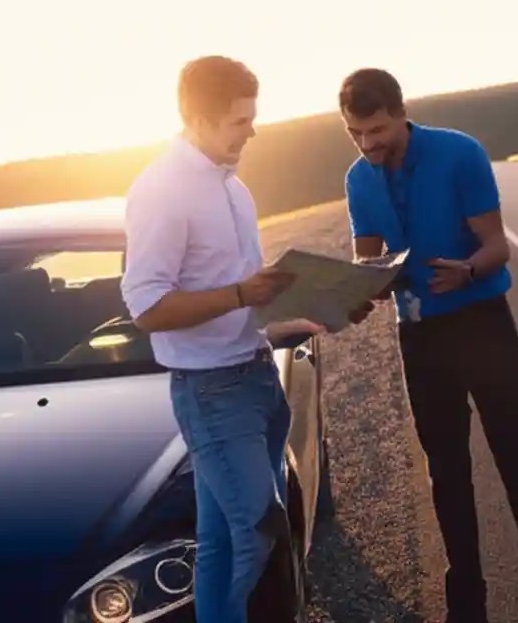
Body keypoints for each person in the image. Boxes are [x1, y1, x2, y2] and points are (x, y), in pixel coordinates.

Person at [338, 68, 518, 623]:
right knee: (446, 475)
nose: (368, 144)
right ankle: (467, 608)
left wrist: (468, 270)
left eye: (376, 130)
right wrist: (357, 292)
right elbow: (368, 261)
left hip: (482, 323)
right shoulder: (358, 179)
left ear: (401, 112)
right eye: (355, 133)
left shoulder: (459, 153)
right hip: (420, 336)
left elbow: (498, 246)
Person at [120, 55, 326, 623]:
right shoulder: (162, 189)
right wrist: (241, 294)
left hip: (257, 377)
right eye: (240, 121)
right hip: (211, 394)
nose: (253, 131)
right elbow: (146, 307)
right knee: (259, 535)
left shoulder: (234, 190)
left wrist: (308, 311)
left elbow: (246, 298)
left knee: (223, 545)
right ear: (200, 119)